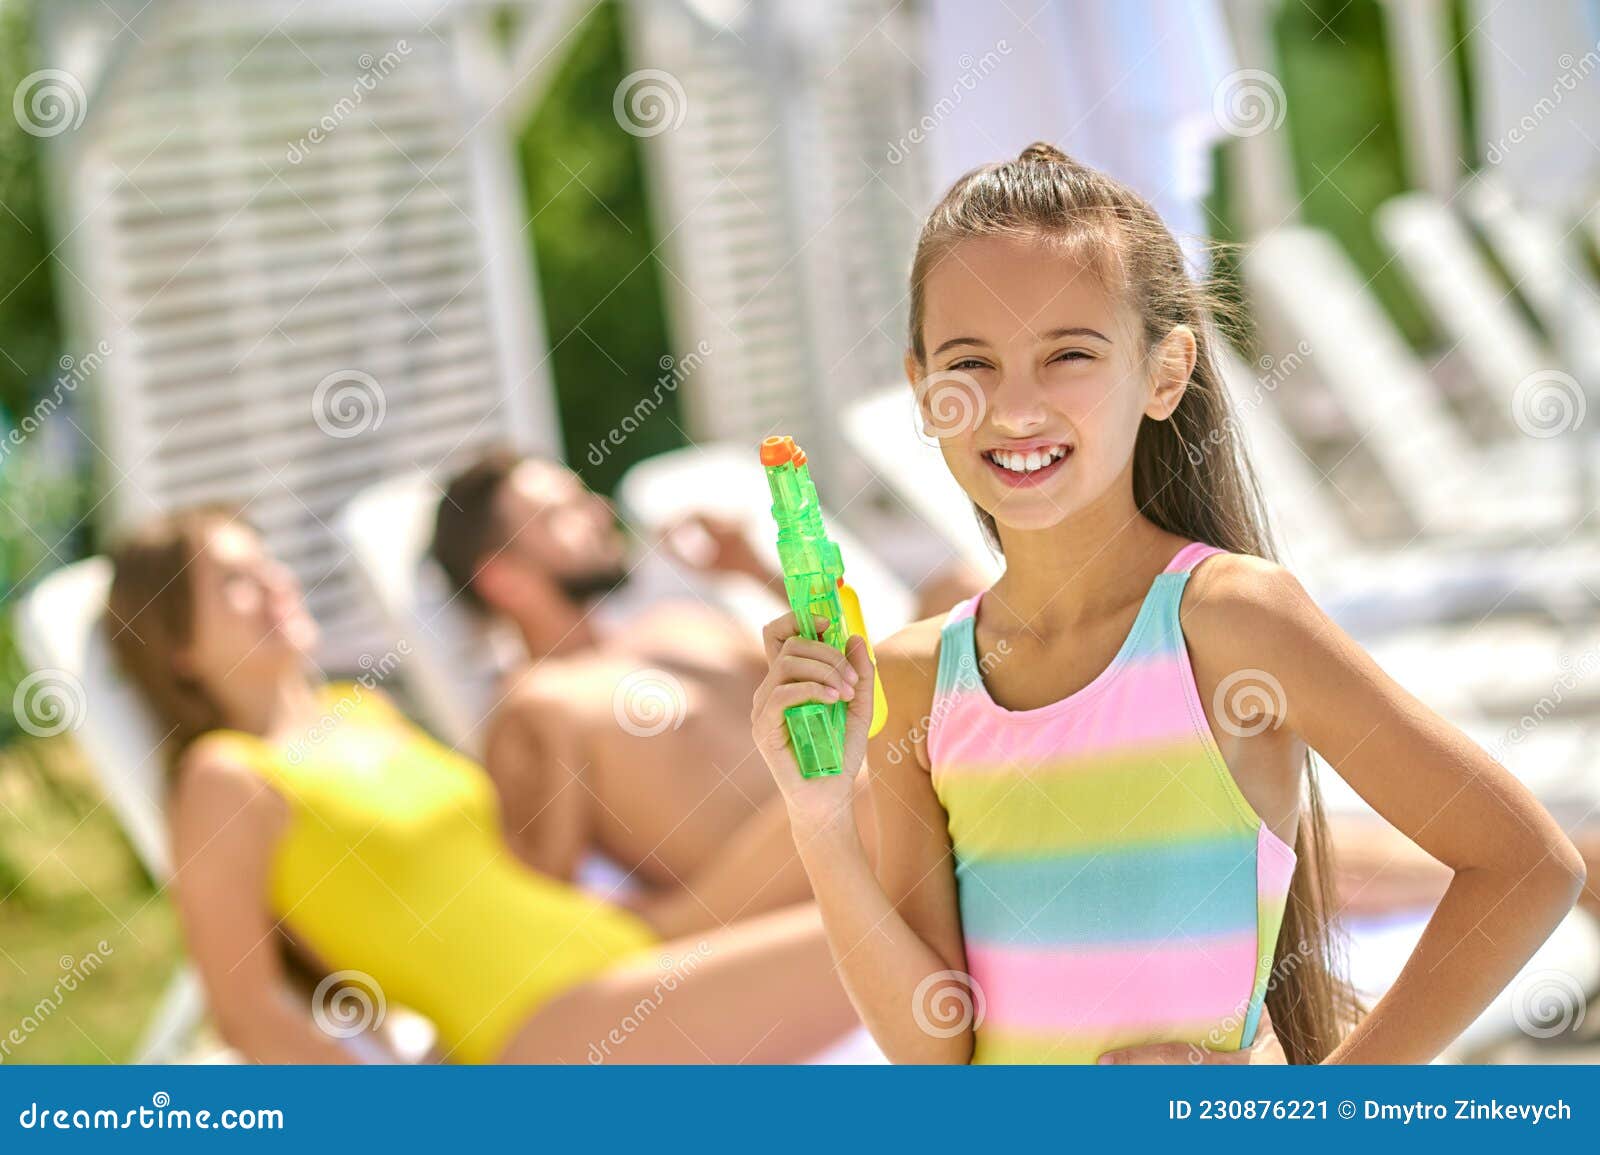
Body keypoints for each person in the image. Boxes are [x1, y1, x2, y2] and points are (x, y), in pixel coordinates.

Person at [749, 143, 1588, 1066]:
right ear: (924, 390)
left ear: (1164, 371)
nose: (1015, 406)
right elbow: (937, 1051)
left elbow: (1525, 866)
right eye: (971, 362)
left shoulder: (1231, 622)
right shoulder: (914, 681)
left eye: (1068, 353)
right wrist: (820, 820)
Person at [106, 509, 859, 1064]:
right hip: (544, 1024)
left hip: (624, 950)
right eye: (232, 581)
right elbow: (244, 1011)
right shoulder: (224, 776)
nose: (272, 583)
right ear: (177, 648)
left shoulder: (361, 708)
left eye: (266, 562)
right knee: (900, 944)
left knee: (907, 901)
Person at [429, 450, 975, 929]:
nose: (597, 512)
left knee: (959, 595)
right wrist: (676, 928)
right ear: (503, 578)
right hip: (776, 883)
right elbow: (539, 901)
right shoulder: (537, 705)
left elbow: (866, 688)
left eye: (583, 498)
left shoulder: (681, 625)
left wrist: (756, 570)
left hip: (870, 806)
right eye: (558, 515)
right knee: (863, 790)